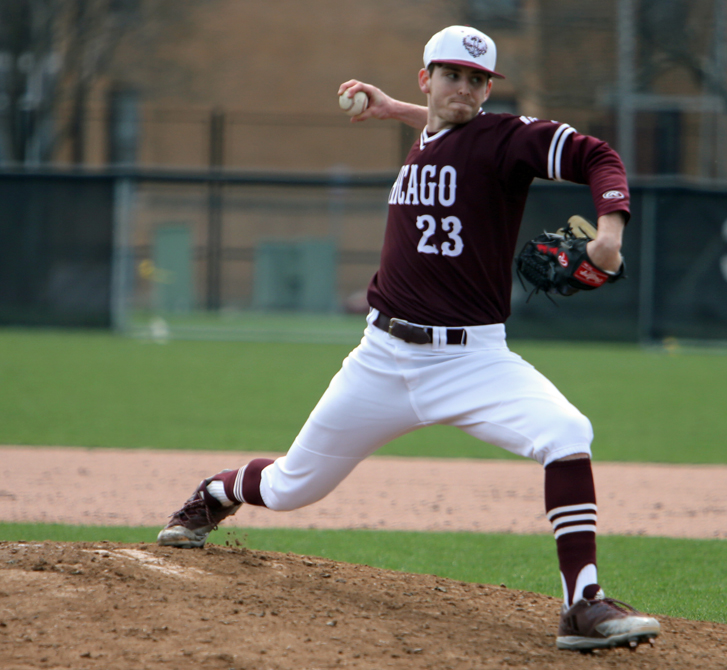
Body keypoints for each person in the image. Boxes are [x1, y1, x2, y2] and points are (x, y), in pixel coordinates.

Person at [157, 25, 660, 651]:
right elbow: (440, 131)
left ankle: (581, 605)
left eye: (478, 79)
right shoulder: (426, 136)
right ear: (426, 79)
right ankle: (215, 493)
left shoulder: (504, 139)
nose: (467, 89)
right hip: (381, 359)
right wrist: (393, 108)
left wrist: (609, 232)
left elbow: (597, 155)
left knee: (567, 433)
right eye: (453, 75)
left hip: (474, 360)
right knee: (292, 487)